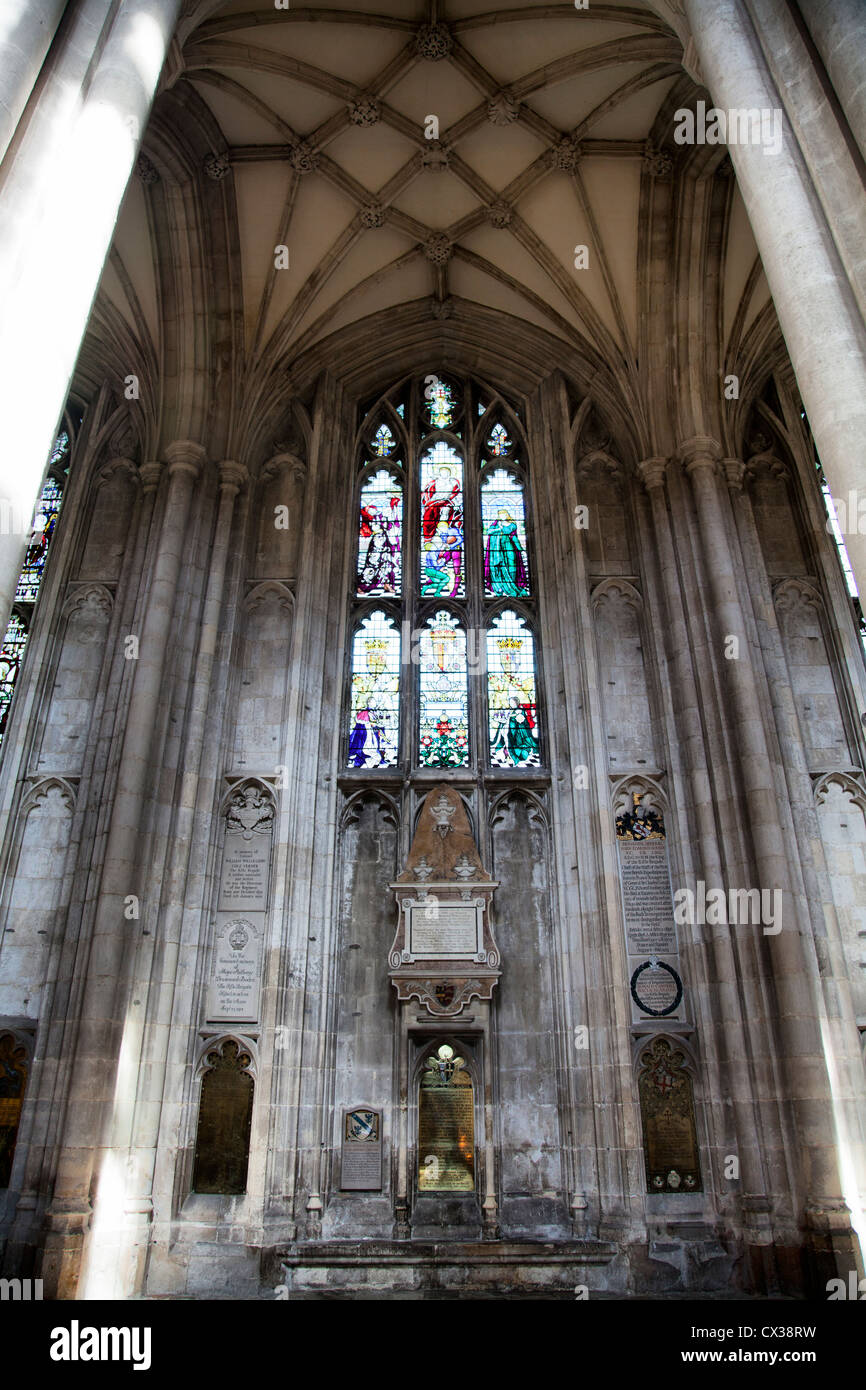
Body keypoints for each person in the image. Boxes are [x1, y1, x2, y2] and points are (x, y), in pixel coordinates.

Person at [484, 509, 528, 595]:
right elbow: (488, 531)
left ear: (507, 515)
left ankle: (512, 584)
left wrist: (520, 549)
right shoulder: (495, 525)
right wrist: (498, 529)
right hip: (497, 549)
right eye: (500, 515)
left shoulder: (512, 525)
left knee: (512, 564)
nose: (502, 516)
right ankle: (500, 586)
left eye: (504, 514)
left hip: (509, 546)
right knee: (498, 566)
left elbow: (513, 537)